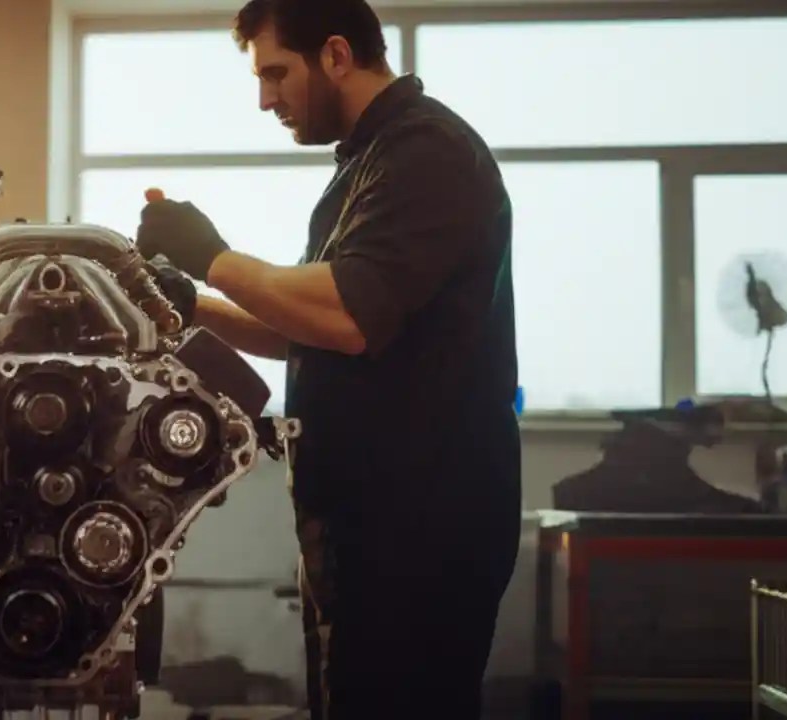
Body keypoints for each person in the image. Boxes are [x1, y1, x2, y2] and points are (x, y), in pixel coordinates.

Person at [134, 1, 522, 717]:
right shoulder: (370, 163)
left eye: (276, 73)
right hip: (367, 527)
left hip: (418, 535)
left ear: (337, 56)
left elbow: (344, 314)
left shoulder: (427, 153)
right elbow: (307, 325)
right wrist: (181, 305)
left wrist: (211, 258)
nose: (265, 99)